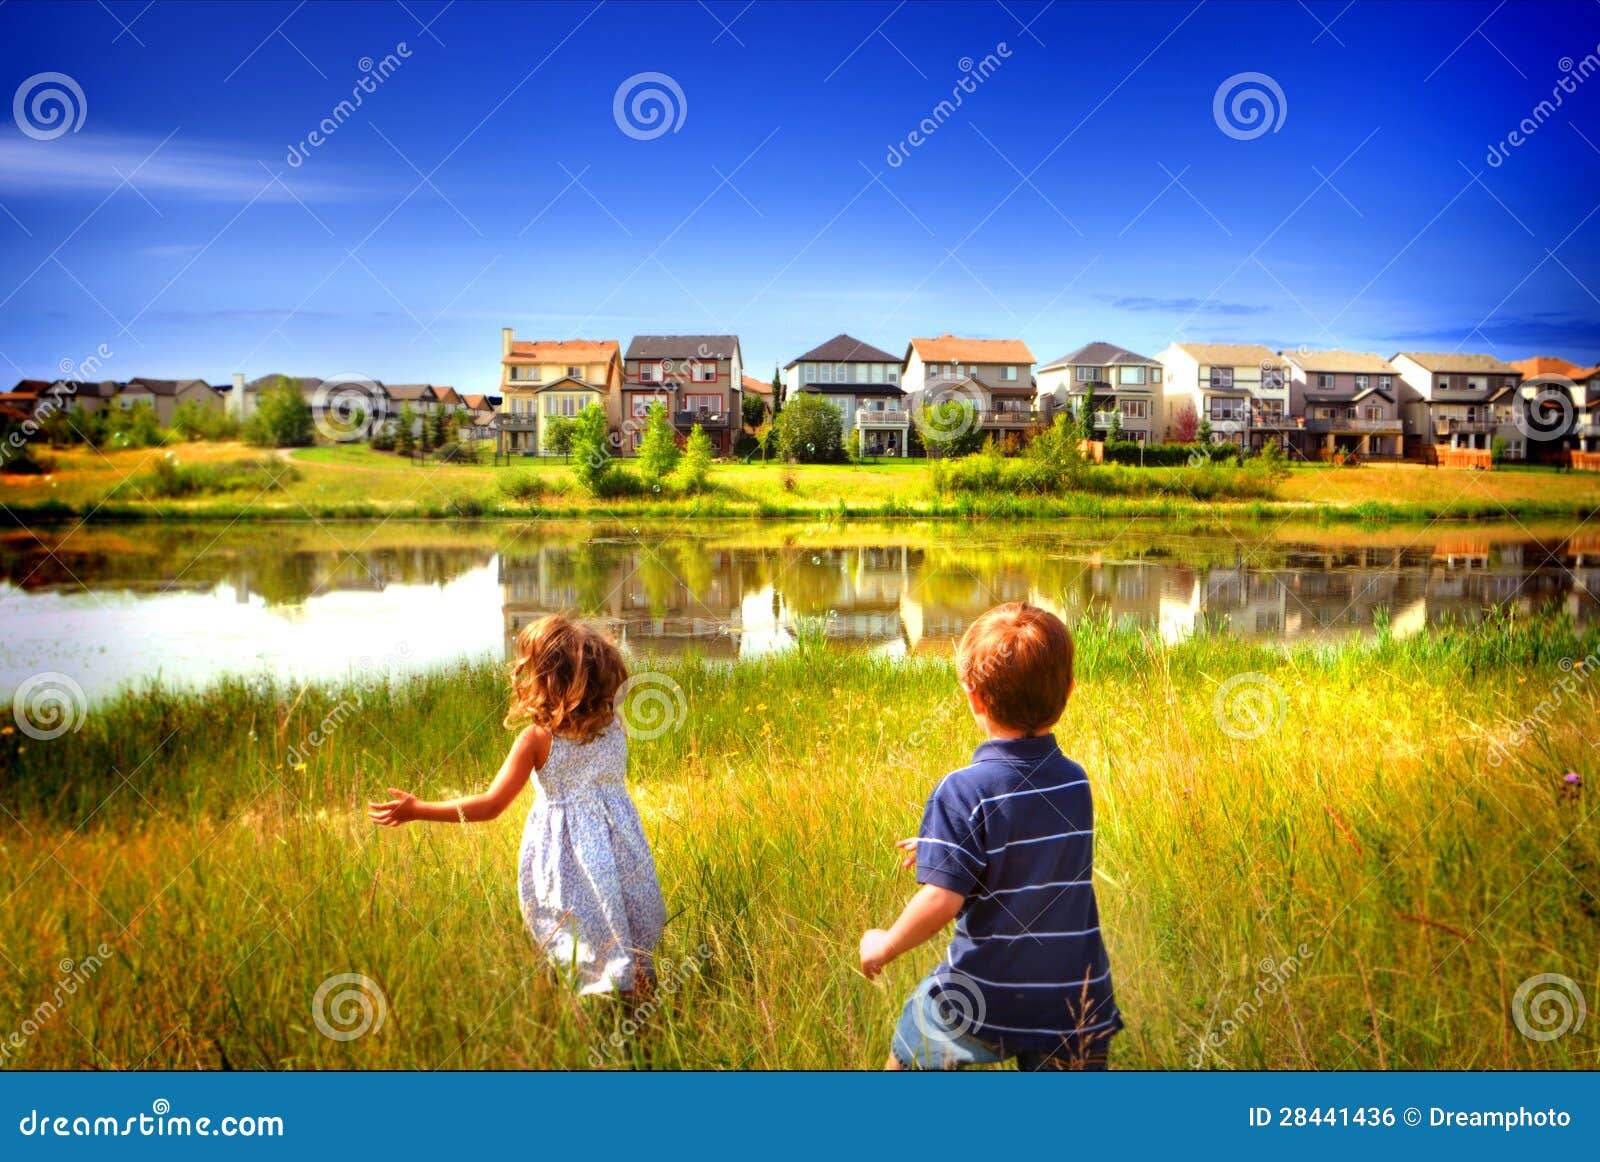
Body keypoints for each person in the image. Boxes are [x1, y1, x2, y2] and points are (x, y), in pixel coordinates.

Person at [859, 601, 1121, 1069]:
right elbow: (1028, 846)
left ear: (975, 698)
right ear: (1069, 691)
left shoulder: (963, 790)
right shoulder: (1074, 781)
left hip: (991, 992)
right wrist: (949, 850)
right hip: (1076, 998)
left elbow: (941, 902)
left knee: (913, 1039)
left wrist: (884, 943)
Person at [369, 614, 666, 995]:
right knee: (626, 923)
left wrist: (418, 809)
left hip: (568, 857)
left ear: (545, 678)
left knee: (571, 933)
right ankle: (641, 1009)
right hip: (621, 847)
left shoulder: (538, 739)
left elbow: (491, 805)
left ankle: (584, 1012)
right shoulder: (613, 724)